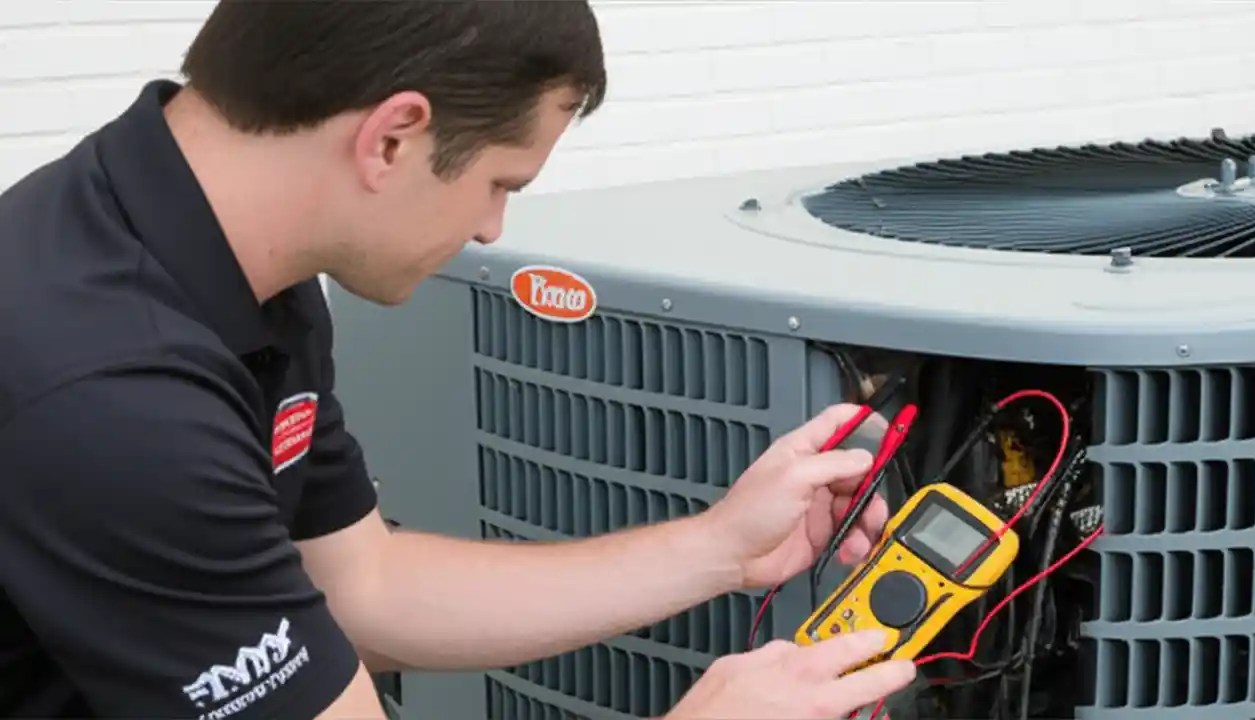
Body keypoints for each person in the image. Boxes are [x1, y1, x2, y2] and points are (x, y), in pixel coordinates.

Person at [0, 2, 916, 718]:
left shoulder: (240, 271)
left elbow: (365, 587)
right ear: (392, 137)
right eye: (501, 183)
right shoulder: (112, 395)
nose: (491, 227)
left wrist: (718, 549)